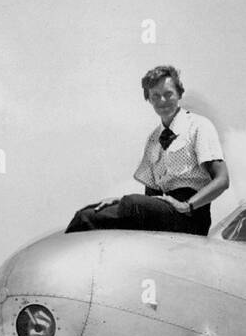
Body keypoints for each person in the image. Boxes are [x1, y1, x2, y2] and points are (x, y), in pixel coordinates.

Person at [66, 65, 230, 237]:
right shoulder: (153, 139)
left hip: (191, 215)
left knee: (131, 203)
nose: (162, 101)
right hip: (163, 211)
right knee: (87, 214)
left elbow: (222, 180)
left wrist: (187, 205)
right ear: (149, 99)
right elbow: (150, 198)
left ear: (179, 94)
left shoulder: (198, 126)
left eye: (168, 94)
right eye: (155, 96)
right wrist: (118, 203)